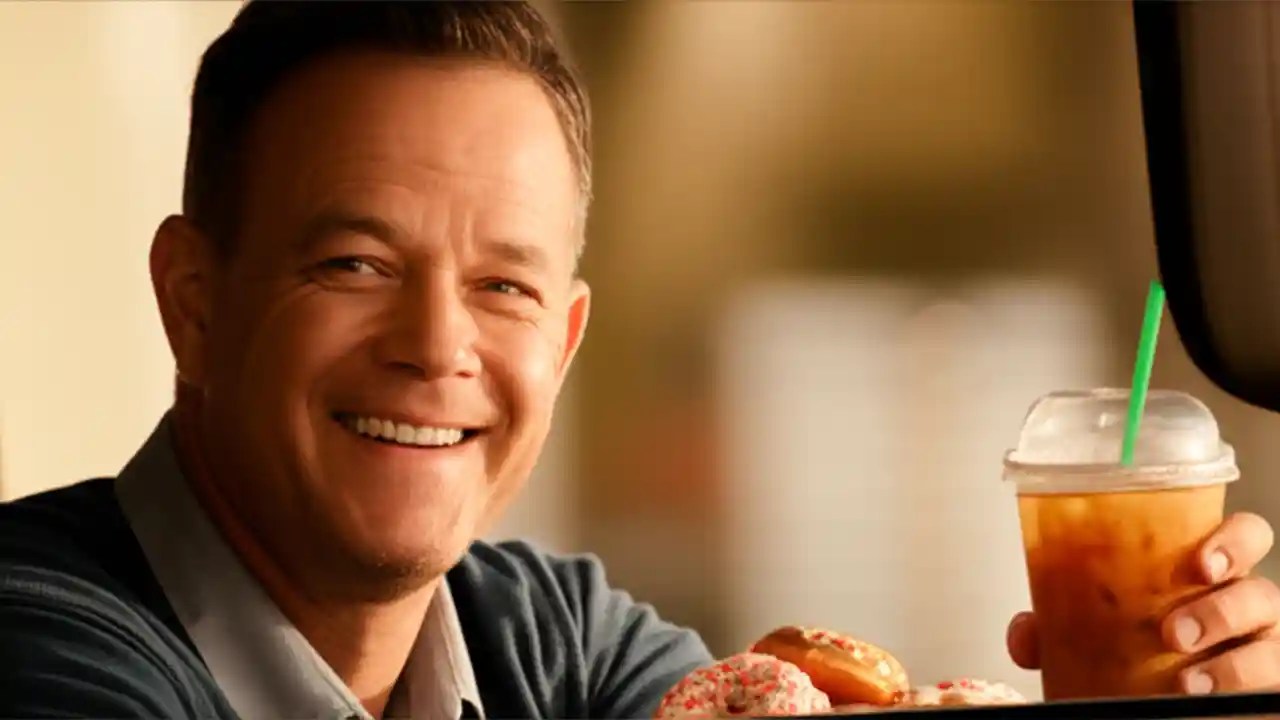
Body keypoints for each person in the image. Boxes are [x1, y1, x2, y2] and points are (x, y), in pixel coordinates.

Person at [0, 2, 1276, 718]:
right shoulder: (42, 652)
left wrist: (1192, 708)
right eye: (355, 266)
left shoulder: (558, 644)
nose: (438, 347)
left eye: (503, 287)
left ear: (559, 346)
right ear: (195, 302)